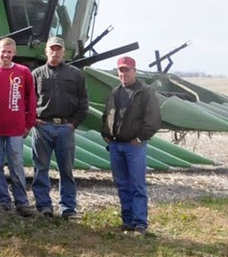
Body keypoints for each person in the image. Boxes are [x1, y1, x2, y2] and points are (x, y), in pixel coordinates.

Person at [102, 55, 163, 233]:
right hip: (116, 145)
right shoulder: (115, 92)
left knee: (137, 185)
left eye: (127, 70)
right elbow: (106, 114)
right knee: (122, 184)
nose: (124, 74)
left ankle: (140, 223)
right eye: (121, 70)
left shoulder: (144, 92)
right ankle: (127, 221)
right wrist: (105, 133)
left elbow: (153, 119)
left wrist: (141, 137)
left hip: (134, 146)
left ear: (134, 71)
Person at [0, 38, 37, 218]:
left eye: (9, 52)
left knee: (16, 166)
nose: (6, 55)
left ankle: (22, 202)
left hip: (15, 129)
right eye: (3, 51)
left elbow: (31, 100)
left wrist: (29, 124)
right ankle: (2, 200)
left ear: (14, 53)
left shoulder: (23, 72)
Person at [32, 35, 89, 221]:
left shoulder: (75, 74)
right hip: (43, 127)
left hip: (65, 127)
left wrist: (73, 124)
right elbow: (28, 101)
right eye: (52, 49)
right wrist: (33, 119)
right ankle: (44, 206)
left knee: (66, 170)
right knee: (41, 168)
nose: (55, 52)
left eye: (59, 49)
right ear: (46, 51)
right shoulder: (36, 74)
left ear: (64, 52)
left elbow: (83, 103)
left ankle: (68, 208)